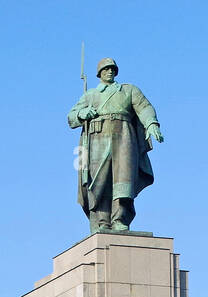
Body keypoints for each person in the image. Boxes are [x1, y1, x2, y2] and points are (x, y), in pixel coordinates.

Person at [67, 58, 163, 233]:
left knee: (123, 180)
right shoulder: (91, 95)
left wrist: (151, 124)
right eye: (106, 69)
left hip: (124, 136)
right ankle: (102, 221)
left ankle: (119, 219)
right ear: (100, 73)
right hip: (98, 137)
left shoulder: (128, 90)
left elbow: (144, 107)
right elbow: (71, 118)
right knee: (100, 181)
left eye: (112, 69)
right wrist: (82, 113)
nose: (110, 71)